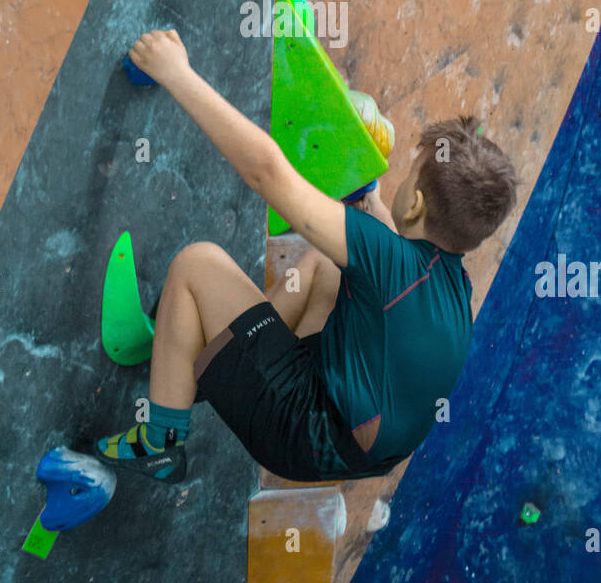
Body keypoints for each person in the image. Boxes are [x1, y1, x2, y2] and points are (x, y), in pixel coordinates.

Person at [96, 29, 518, 484]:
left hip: (302, 432)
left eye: (409, 175)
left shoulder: (386, 260)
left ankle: (160, 443)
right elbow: (393, 248)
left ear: (414, 205)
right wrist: (369, 198)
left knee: (197, 263)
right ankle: (212, 356)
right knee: (324, 267)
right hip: (357, 448)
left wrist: (175, 72)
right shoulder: (453, 281)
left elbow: (266, 172)